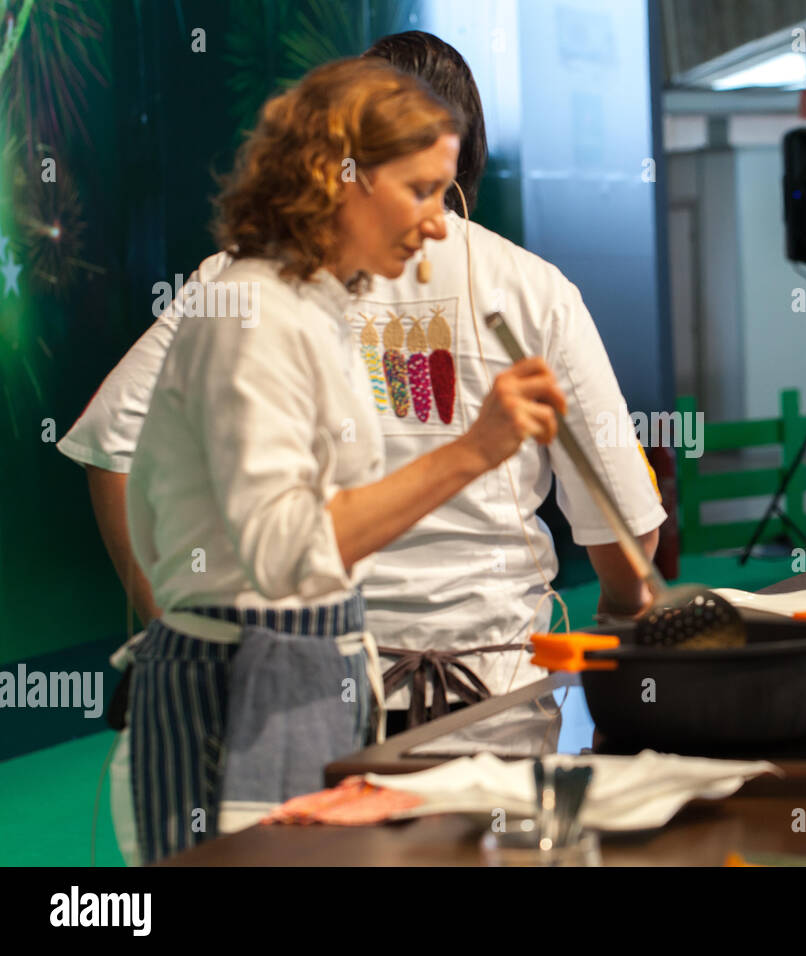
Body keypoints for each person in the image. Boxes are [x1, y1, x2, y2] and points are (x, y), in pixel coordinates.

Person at [57, 31, 666, 737]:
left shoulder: (236, 281)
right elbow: (627, 531)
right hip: (442, 702)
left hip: (331, 700)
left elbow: (114, 444)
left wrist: (177, 630)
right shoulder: (532, 291)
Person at [121, 57, 573, 863]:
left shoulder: (317, 307)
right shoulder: (252, 315)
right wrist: (474, 451)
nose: (440, 221)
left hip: (304, 674)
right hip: (237, 691)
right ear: (341, 178)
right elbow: (285, 551)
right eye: (421, 190)